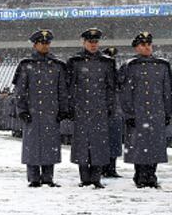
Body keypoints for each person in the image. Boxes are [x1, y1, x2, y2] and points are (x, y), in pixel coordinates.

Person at [13, 29, 70, 187]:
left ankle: (48, 178)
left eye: (47, 43)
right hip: (32, 113)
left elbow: (62, 91)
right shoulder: (26, 65)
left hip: (51, 113)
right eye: (41, 43)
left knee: (50, 146)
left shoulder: (57, 65)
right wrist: (22, 110)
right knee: (32, 147)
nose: (45, 46)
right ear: (35, 45)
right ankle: (33, 178)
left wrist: (63, 110)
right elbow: (20, 91)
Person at [119, 32, 172, 188]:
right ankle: (140, 176)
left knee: (155, 146)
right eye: (143, 45)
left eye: (149, 44)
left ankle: (151, 176)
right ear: (136, 48)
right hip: (138, 112)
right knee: (139, 146)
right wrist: (128, 113)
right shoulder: (130, 66)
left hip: (157, 112)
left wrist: (168, 112)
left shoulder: (162, 65)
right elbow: (125, 92)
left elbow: (167, 91)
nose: (147, 47)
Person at [66, 29, 116, 189]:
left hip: (100, 108)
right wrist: (71, 106)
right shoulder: (75, 61)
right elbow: (70, 86)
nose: (93, 45)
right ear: (84, 42)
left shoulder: (107, 62)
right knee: (82, 145)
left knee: (99, 144)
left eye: (96, 42)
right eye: (90, 42)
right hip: (81, 108)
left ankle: (96, 177)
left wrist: (110, 106)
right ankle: (84, 178)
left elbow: (111, 87)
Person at [101, 46, 123, 178]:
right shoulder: (100, 73)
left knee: (114, 142)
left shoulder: (117, 73)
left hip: (115, 111)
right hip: (102, 111)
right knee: (102, 141)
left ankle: (111, 168)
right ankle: (102, 167)